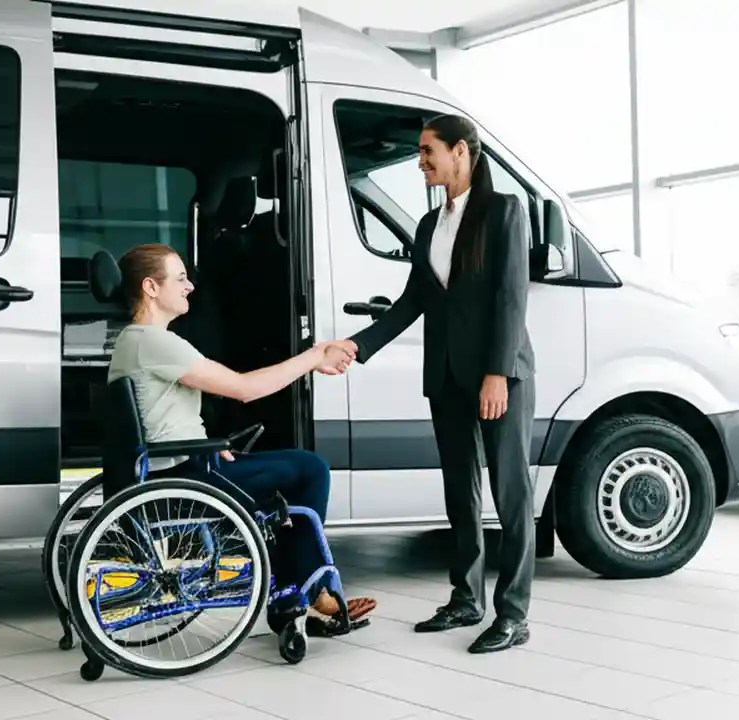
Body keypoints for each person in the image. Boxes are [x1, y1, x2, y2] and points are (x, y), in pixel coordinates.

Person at [329, 114, 536, 654]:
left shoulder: (503, 211)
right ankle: (465, 598)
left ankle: (513, 614)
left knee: (510, 495)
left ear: (460, 152)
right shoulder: (429, 225)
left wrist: (499, 374)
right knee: (460, 496)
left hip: (497, 376)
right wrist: (357, 346)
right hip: (445, 377)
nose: (420, 161)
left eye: (428, 152)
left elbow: (511, 300)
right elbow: (411, 304)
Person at [108, 243, 376, 632]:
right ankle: (302, 592)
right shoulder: (155, 342)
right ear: (151, 287)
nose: (190, 287)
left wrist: (209, 447)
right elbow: (244, 388)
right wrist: (315, 356)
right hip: (184, 477)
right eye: (180, 278)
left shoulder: (132, 341)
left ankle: (299, 589)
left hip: (180, 464)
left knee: (288, 477)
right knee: (309, 470)